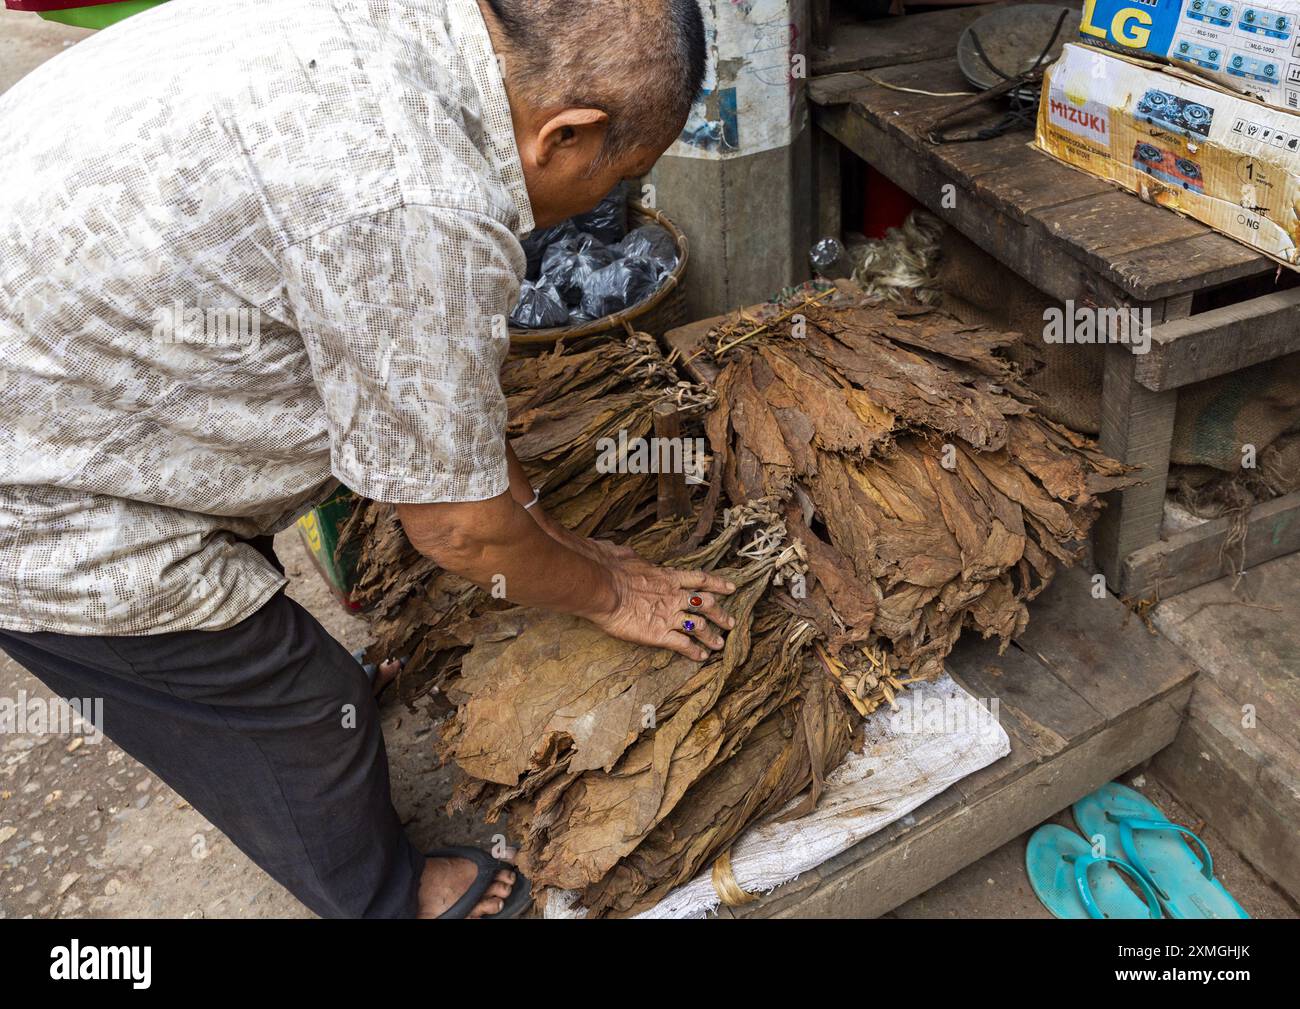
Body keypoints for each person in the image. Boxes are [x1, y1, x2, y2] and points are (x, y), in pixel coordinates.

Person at [0, 0, 731, 919]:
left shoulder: (404, 24)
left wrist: (535, 520)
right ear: (567, 135)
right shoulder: (423, 204)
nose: (612, 194)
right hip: (37, 487)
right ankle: (389, 897)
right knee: (295, 715)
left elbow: (441, 410)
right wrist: (616, 591)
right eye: (625, 173)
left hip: (65, 336)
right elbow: (456, 529)